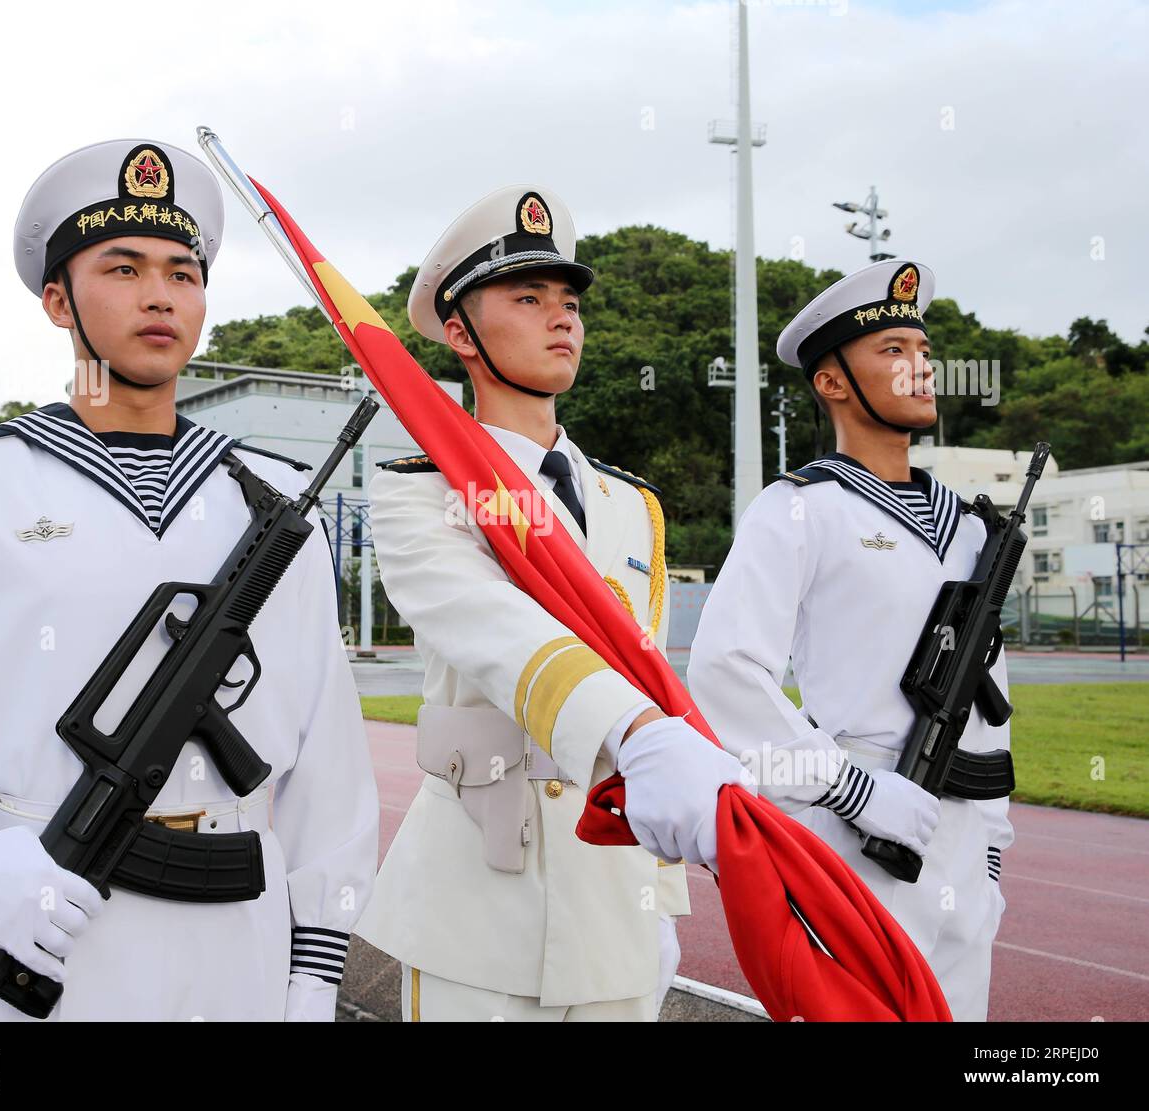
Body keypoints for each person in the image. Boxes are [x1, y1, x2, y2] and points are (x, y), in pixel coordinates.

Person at [0, 138, 378, 1021]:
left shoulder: (278, 499)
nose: (161, 294)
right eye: (124, 268)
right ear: (59, 300)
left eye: (183, 271)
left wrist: (316, 970)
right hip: (41, 922)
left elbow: (331, 756)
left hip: (243, 940)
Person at [354, 185, 749, 1021]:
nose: (560, 318)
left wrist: (661, 891)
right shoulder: (418, 496)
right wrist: (639, 737)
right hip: (477, 908)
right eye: (527, 298)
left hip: (614, 907)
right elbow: (497, 633)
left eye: (568, 301)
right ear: (459, 333)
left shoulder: (629, 503)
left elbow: (655, 688)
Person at [687, 260, 1012, 1021]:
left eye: (923, 353)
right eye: (892, 352)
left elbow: (991, 701)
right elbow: (725, 673)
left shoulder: (970, 526)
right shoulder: (798, 510)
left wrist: (993, 843)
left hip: (960, 840)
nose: (920, 369)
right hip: (859, 831)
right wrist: (853, 790)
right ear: (831, 383)